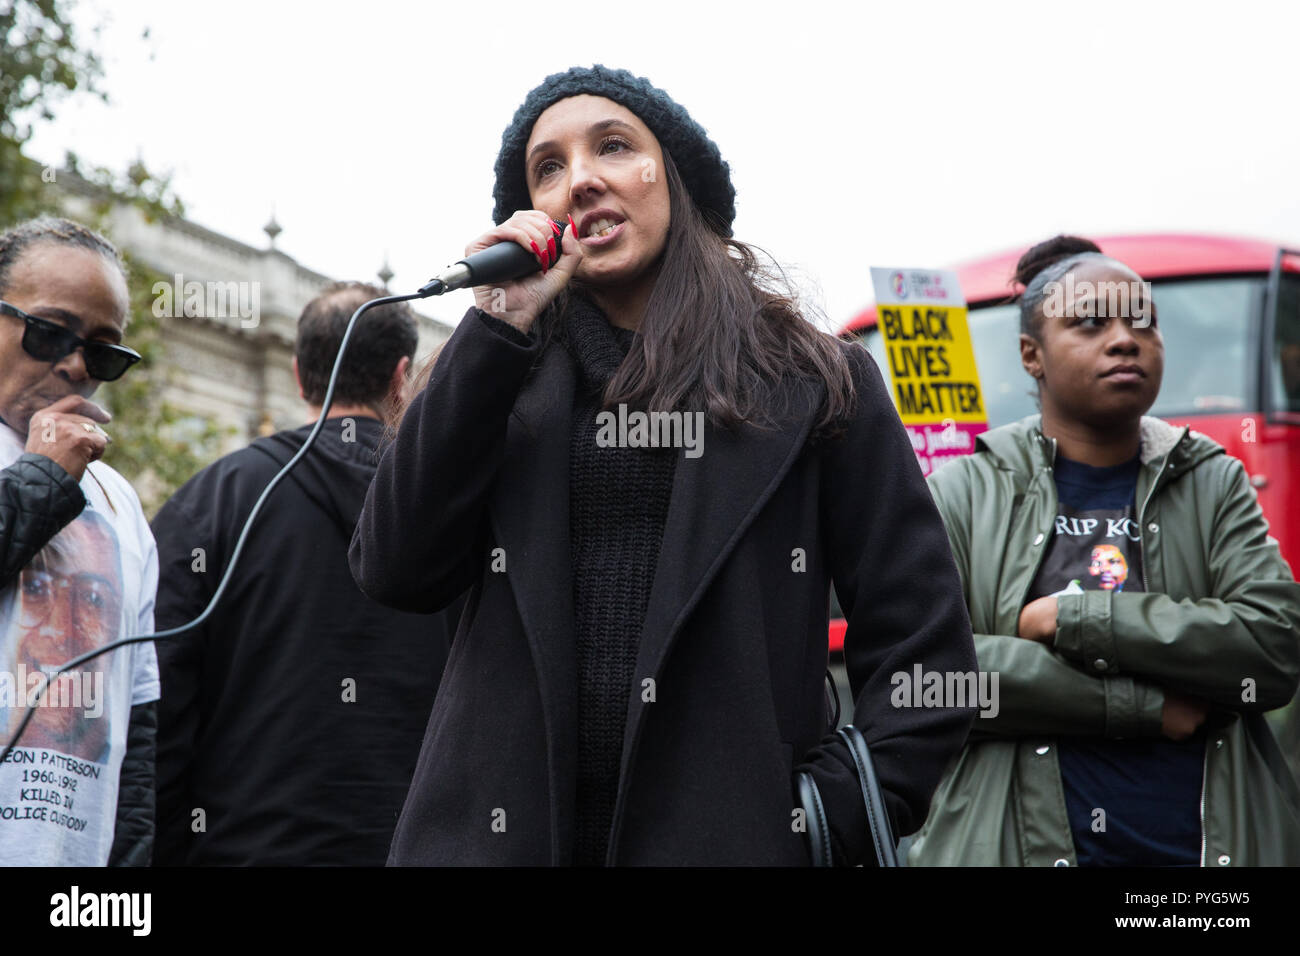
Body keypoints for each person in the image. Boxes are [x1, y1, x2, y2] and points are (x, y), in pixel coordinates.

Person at [349, 64, 977, 866]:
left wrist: (831, 813)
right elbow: (394, 567)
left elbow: (925, 647)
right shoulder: (489, 375)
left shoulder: (818, 381)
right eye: (549, 168)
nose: (580, 180)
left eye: (612, 147)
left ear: (675, 181)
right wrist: (494, 331)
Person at [908, 235, 1300, 866]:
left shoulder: (1213, 479)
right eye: (1089, 325)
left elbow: (1274, 651)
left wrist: (1081, 618)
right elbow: (927, 681)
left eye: (1143, 322)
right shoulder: (962, 491)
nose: (1125, 339)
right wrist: (1139, 706)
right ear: (1031, 356)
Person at [151, 282, 461, 866]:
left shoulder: (213, 500)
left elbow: (156, 701)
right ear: (402, 378)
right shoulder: (451, 512)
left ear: (299, 376)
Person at [0, 216, 158, 866]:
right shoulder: (55, 474)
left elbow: (138, 722)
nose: (72, 366)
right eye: (48, 332)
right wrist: (42, 477)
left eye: (103, 353)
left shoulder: (120, 501)